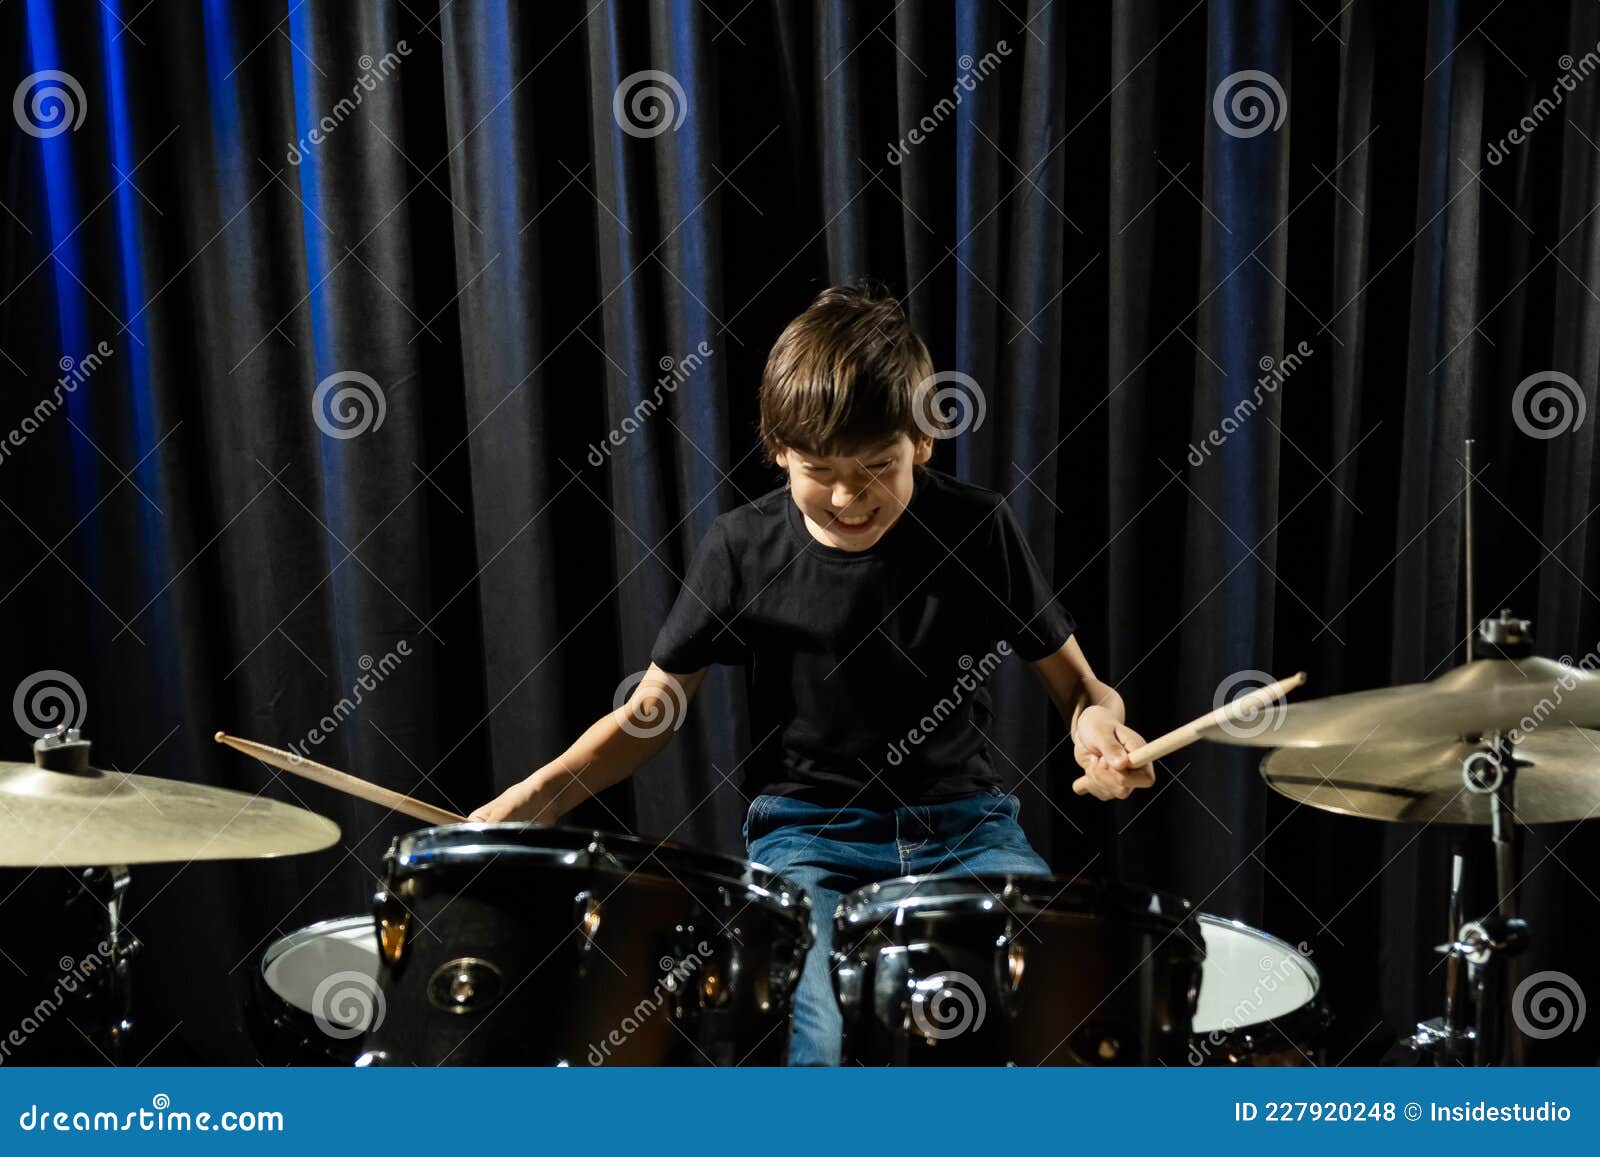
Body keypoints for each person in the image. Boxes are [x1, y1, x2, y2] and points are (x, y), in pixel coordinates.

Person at [470, 283, 1155, 1064]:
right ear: (779, 452)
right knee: (816, 1036)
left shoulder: (978, 528)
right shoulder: (741, 547)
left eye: (878, 466)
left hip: (968, 829)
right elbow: (650, 711)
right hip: (808, 837)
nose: (845, 496)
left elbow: (1081, 690)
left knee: (1050, 1008)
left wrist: (1098, 728)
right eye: (818, 469)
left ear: (923, 442)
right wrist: (536, 798)